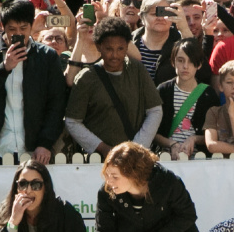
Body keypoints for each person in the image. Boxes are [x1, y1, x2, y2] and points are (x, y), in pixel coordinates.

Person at [0, 0, 66, 163]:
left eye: (23, 28)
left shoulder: (47, 56)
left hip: (34, 149)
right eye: (12, 29)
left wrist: (45, 142)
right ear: (2, 26)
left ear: (31, 26)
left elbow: (57, 103)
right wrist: (4, 67)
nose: (18, 34)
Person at [65, 16, 162, 157]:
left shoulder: (137, 70)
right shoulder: (86, 78)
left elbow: (155, 110)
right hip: (98, 158)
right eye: (109, 49)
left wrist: (137, 146)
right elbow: (72, 121)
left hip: (135, 156)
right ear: (99, 46)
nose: (114, 55)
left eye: (120, 48)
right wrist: (102, 148)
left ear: (127, 47)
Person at [155, 37, 220, 159]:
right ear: (173, 62)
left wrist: (194, 139)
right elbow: (153, 131)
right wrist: (171, 144)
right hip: (166, 159)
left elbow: (215, 134)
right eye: (180, 60)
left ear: (199, 65)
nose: (185, 66)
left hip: (199, 160)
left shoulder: (208, 94)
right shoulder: (163, 90)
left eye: (191, 61)